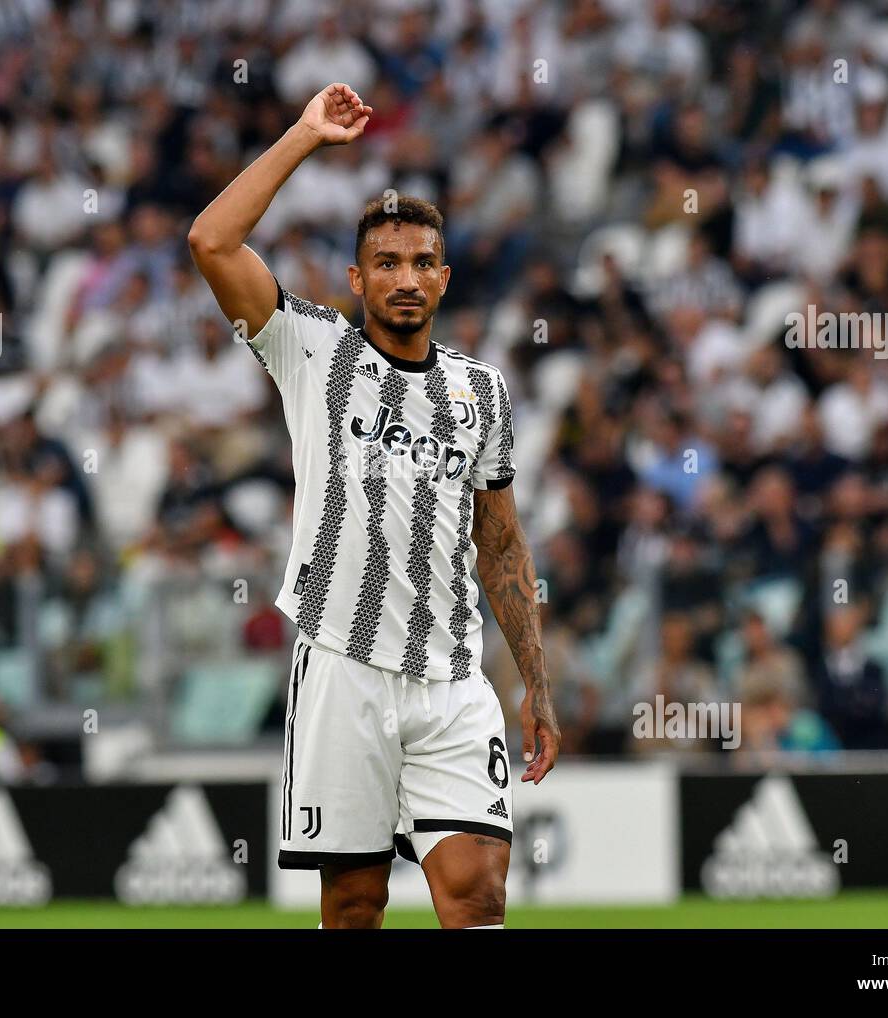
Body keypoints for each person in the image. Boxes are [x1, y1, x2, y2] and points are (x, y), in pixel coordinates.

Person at [188, 83, 559, 929]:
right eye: (386, 263)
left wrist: (536, 684)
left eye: (423, 261)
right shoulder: (312, 349)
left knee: (477, 895)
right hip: (341, 669)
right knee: (354, 906)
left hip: (454, 679)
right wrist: (305, 136)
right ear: (357, 278)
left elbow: (500, 544)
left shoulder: (482, 392)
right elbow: (211, 239)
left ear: (445, 277)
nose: (406, 278)